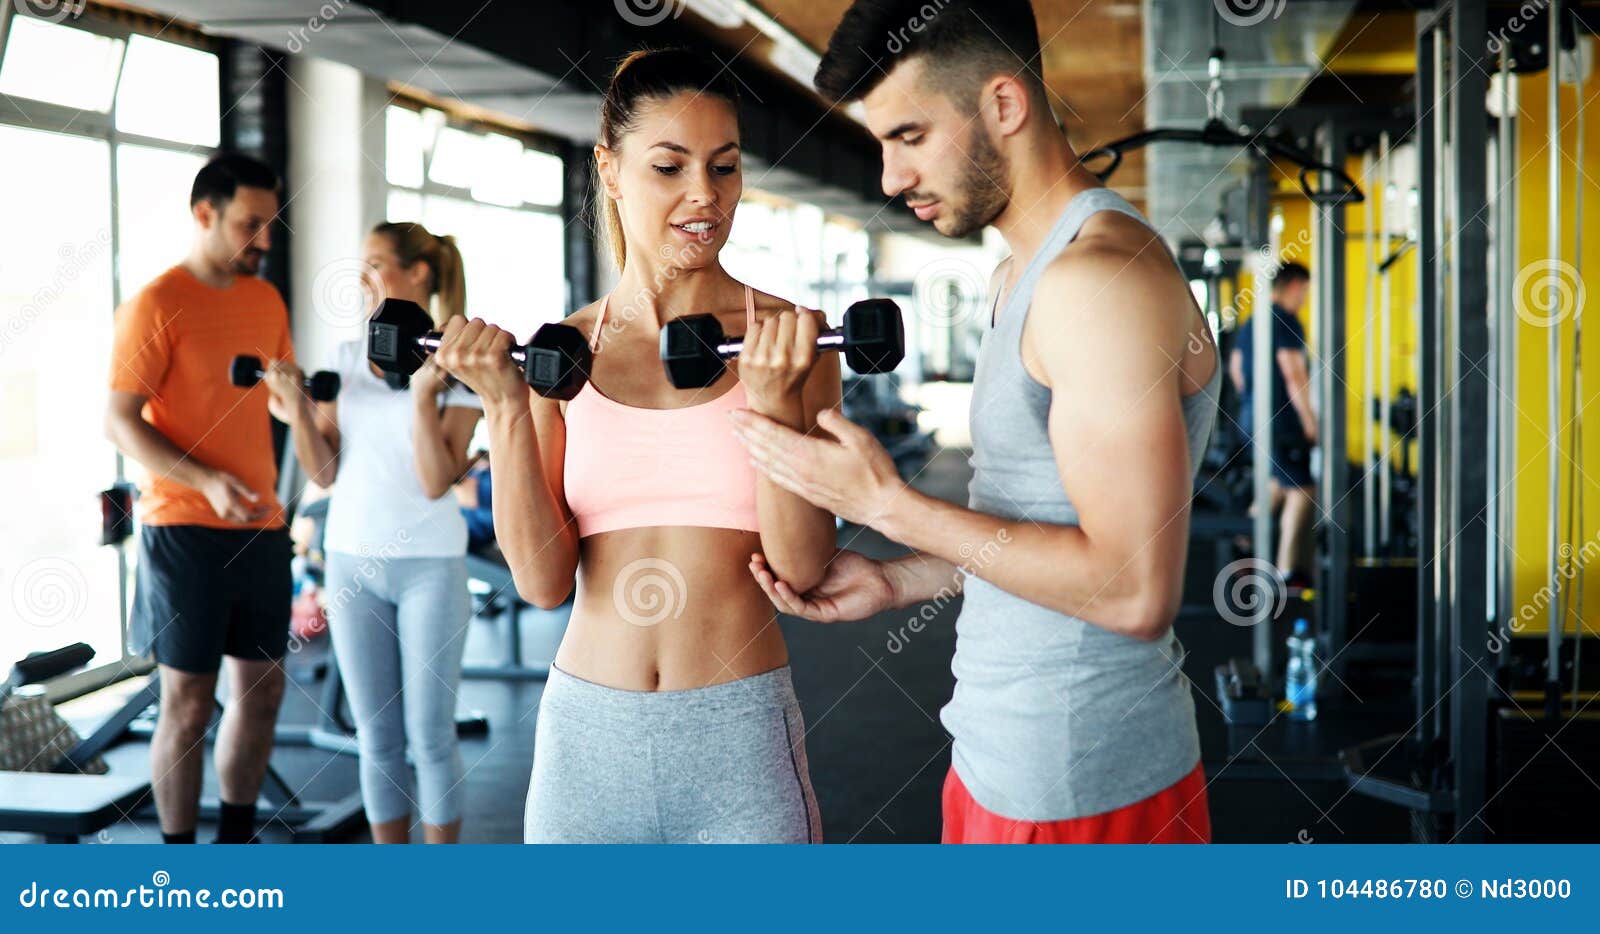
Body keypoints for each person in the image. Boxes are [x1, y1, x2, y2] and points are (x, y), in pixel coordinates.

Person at [730, 0, 1218, 844]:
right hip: (1000, 760)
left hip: (1083, 788)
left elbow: (1136, 591)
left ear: (1003, 105)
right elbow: (1042, 529)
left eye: (910, 136)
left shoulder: (1097, 283)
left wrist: (889, 504)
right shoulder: (1021, 276)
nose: (888, 178)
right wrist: (903, 578)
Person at [433, 48, 837, 843]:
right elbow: (543, 581)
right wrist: (509, 409)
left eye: (725, 168)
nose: (704, 195)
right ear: (611, 171)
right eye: (669, 166)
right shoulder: (562, 352)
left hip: (738, 734)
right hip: (588, 735)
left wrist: (779, 402)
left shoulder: (790, 341)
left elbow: (804, 568)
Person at [105, 153, 292, 844]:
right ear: (204, 213)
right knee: (186, 705)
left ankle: (235, 842)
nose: (264, 241)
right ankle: (179, 863)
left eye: (269, 225)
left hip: (263, 524)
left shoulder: (265, 300)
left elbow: (278, 393)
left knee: (263, 691)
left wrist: (298, 404)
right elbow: (118, 422)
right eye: (250, 224)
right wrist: (207, 479)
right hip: (183, 529)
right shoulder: (157, 305)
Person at [274, 221, 482, 843]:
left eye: (375, 263)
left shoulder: (461, 358)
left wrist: (423, 398)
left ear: (418, 272)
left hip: (431, 564)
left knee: (430, 736)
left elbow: (434, 480)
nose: (361, 276)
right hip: (350, 560)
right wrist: (297, 416)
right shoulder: (345, 355)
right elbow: (328, 473)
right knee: (378, 738)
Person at [1228, 263, 1317, 586]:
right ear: (1294, 286)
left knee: (1278, 483)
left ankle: (1244, 546)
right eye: (1304, 292)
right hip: (1279, 421)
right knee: (1302, 489)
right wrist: (1310, 421)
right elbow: (1294, 373)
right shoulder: (1286, 321)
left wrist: (1254, 401)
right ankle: (1286, 571)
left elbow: (1236, 369)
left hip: (1253, 418)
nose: (1304, 299)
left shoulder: (1254, 321)